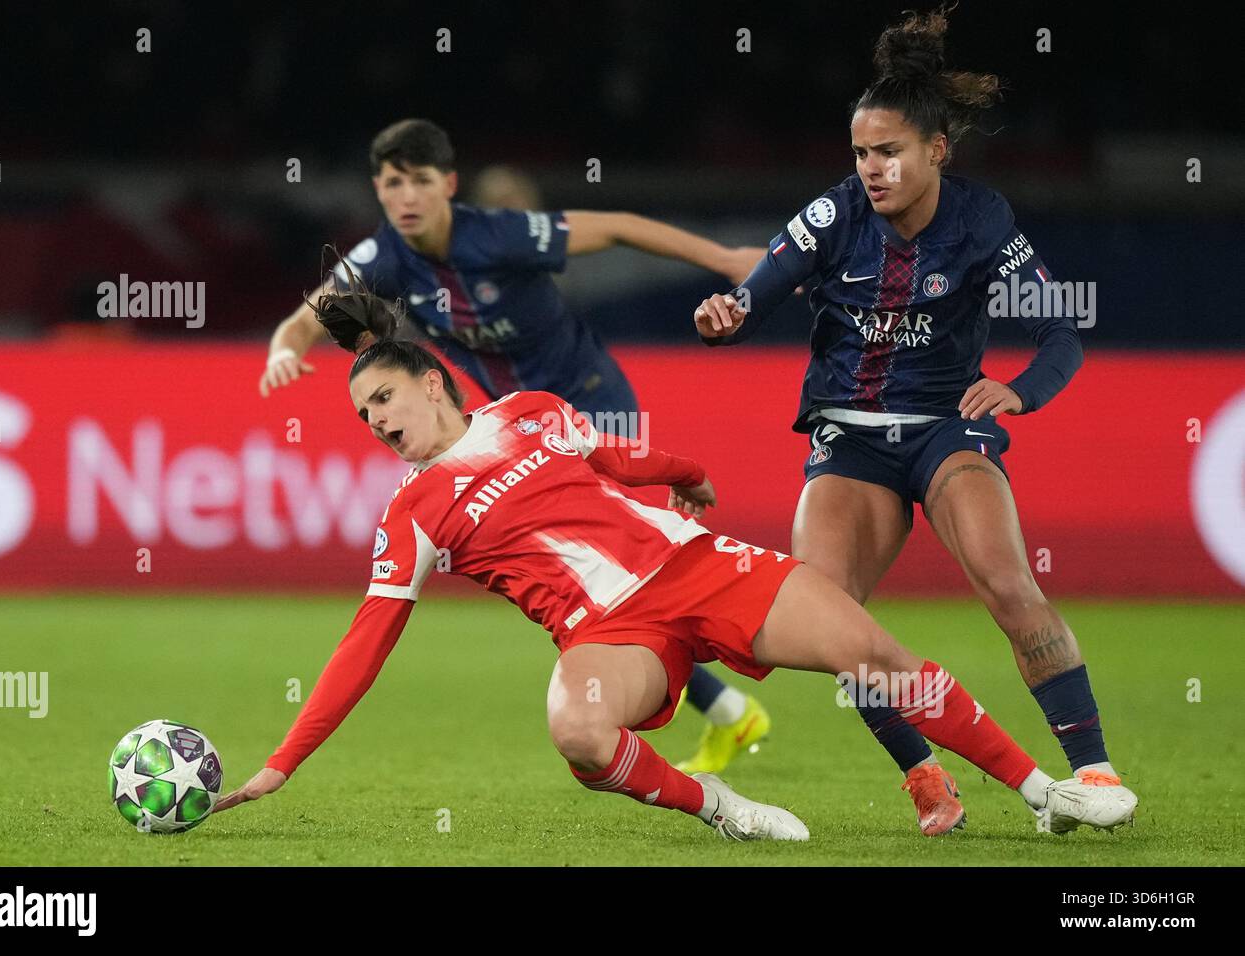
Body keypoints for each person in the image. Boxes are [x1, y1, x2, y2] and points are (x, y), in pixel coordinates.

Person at [214, 274, 1138, 841]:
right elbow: (365, 642)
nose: (376, 425)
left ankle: (1041, 789)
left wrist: (685, 473)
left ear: (429, 383)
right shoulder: (410, 513)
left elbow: (614, 459)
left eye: (383, 401)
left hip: (698, 564)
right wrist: (281, 765)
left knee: (877, 656)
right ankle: (719, 807)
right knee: (576, 732)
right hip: (608, 634)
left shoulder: (530, 411)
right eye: (362, 418)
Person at [692, 5, 1131, 835]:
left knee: (1007, 582)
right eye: (861, 152)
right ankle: (924, 773)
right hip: (849, 437)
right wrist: (729, 316)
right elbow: (756, 292)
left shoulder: (982, 220)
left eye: (889, 151)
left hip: (944, 430)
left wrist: (1022, 390)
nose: (872, 169)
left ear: (936, 149)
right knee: (834, 622)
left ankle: (1094, 770)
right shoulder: (832, 218)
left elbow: (1060, 331)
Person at [260, 118, 774, 774]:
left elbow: (617, 224)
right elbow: (309, 316)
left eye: (420, 181)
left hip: (593, 403)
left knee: (619, 576)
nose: (407, 197)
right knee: (587, 588)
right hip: (516, 426)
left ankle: (757, 650)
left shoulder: (499, 234)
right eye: (393, 184)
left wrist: (728, 260)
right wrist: (284, 346)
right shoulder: (385, 255)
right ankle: (730, 709)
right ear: (379, 190)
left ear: (447, 184)